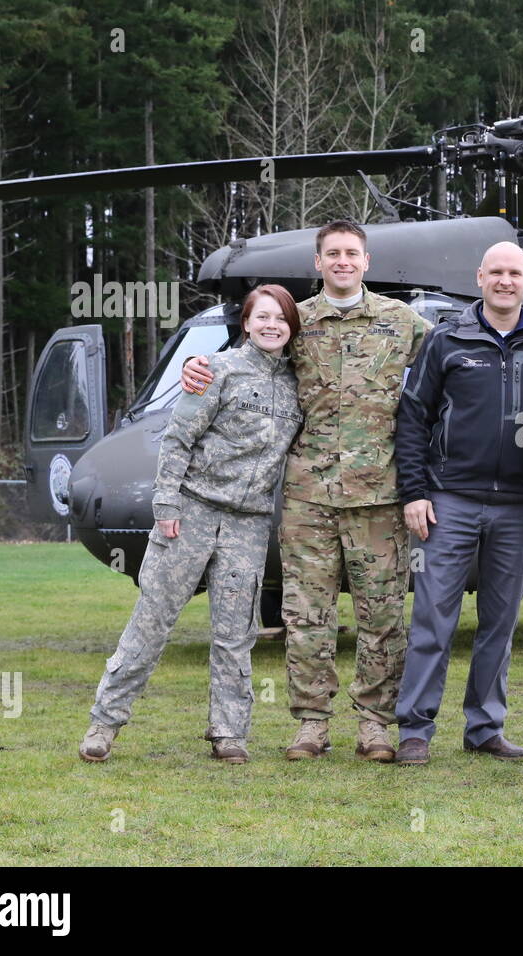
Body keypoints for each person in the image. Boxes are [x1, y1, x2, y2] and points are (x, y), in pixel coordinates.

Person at [181, 221, 431, 763]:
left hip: (378, 495)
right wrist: (195, 365)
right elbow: (245, 365)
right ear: (318, 262)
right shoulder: (296, 320)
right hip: (308, 496)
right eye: (332, 253)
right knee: (306, 614)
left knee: (382, 615)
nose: (342, 261)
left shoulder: (402, 321)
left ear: (366, 261)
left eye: (351, 253)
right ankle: (312, 723)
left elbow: (448, 367)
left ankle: (375, 725)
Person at [80, 285, 303, 764]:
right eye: (262, 317)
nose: (272, 326)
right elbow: (177, 439)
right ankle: (104, 723)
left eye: (281, 318)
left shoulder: (297, 384)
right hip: (193, 512)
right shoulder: (215, 370)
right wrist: (166, 506)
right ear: (246, 323)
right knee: (151, 621)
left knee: (235, 634)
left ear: (291, 326)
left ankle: (229, 732)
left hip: (249, 524)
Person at [392, 241, 523, 765]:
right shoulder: (446, 339)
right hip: (449, 502)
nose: (505, 281)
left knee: (500, 623)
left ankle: (485, 727)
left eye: (515, 273)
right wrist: (414, 493)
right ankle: (415, 730)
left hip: (518, 506)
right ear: (480, 278)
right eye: (496, 272)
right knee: (433, 619)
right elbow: (413, 418)